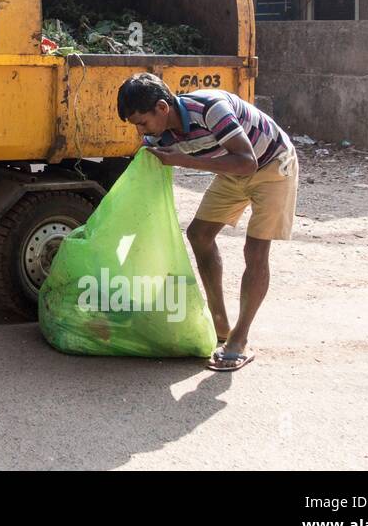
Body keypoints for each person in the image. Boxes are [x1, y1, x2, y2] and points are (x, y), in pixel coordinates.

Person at [116, 73, 298, 372]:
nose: (140, 132)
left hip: (272, 166)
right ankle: (220, 325)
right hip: (232, 171)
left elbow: (247, 161)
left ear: (162, 108)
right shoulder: (159, 134)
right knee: (199, 234)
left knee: (255, 251)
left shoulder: (211, 108)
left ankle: (239, 340)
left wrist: (184, 161)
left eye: (142, 123)